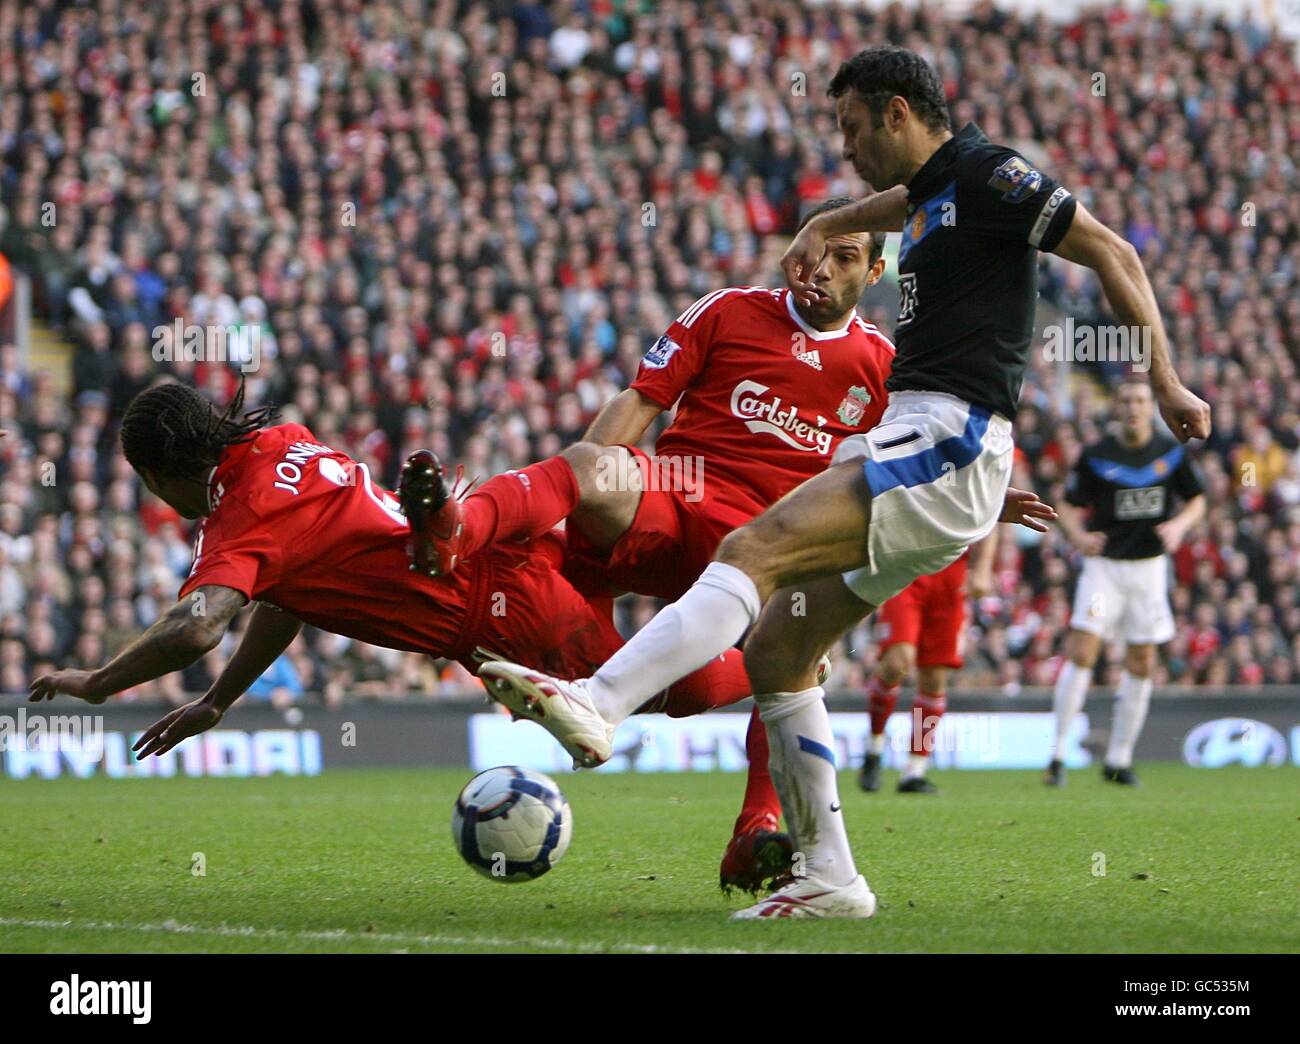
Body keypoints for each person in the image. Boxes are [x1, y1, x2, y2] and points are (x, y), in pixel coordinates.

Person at [476, 45, 1211, 920]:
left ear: (898, 112)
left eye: (855, 128)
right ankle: (832, 878)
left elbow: (1114, 251)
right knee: (780, 651)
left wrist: (1164, 378)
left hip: (950, 432)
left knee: (757, 549)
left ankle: (599, 702)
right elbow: (880, 206)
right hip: (921, 439)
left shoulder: (987, 175)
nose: (849, 146)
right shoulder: (932, 193)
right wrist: (827, 222)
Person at [407, 202, 1054, 892]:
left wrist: (979, 497)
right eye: (818, 252)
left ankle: (756, 834)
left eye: (846, 259)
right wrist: (589, 477)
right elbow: (642, 399)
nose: (824, 271)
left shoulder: (881, 369)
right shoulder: (728, 311)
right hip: (676, 502)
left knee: (785, 663)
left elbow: (912, 469)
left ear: (872, 273)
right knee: (591, 464)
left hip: (766, 552)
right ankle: (456, 530)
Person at [27, 382, 757, 743]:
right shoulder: (284, 442)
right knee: (594, 501)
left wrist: (99, 683)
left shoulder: (239, 522)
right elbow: (288, 598)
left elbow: (196, 626)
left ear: (158, 475)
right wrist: (220, 700)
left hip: (498, 617)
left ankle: (783, 660)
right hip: (518, 549)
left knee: (667, 690)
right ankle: (456, 516)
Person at [1046, 375, 1206, 786]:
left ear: (1149, 406)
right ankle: (1058, 755)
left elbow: (1197, 499)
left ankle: (1119, 758)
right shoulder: (1097, 455)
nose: (1134, 407)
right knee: (1084, 649)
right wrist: (1078, 536)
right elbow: (1066, 500)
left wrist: (1180, 527)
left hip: (1149, 571)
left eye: (1140, 400)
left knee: (1143, 661)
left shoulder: (1170, 453)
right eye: (1127, 401)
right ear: (1117, 407)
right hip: (1106, 570)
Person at [858, 536, 996, 795]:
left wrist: (983, 567)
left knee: (934, 678)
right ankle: (874, 746)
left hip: (952, 575)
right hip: (906, 565)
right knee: (897, 663)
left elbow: (994, 509)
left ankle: (914, 769)